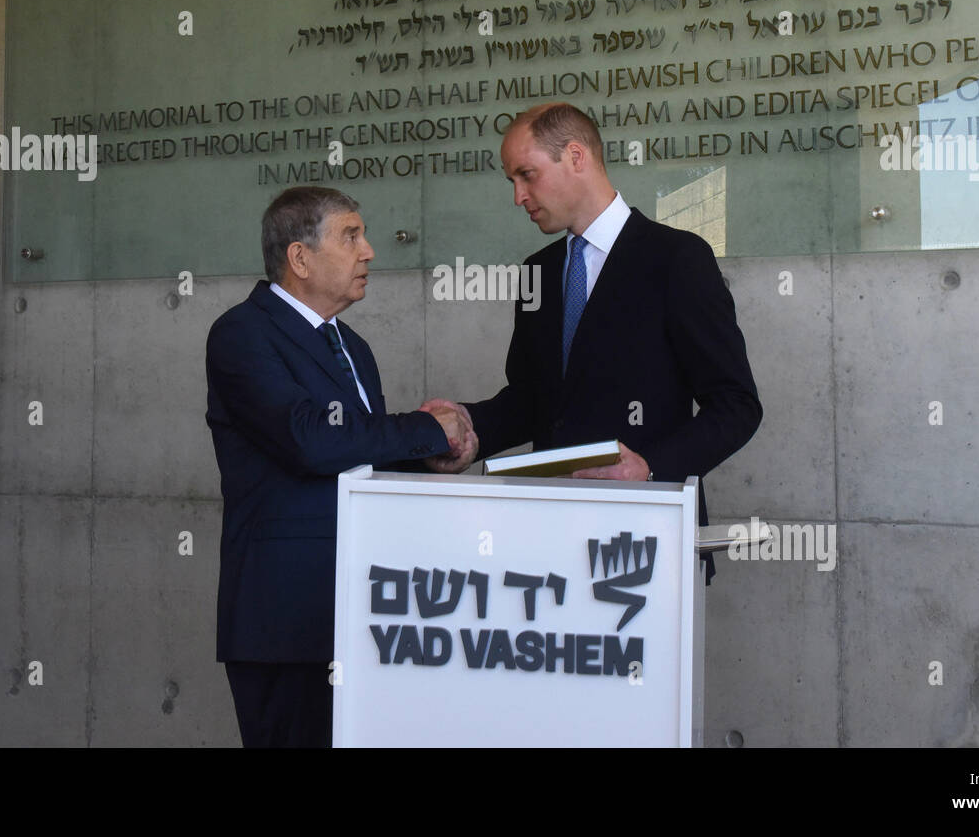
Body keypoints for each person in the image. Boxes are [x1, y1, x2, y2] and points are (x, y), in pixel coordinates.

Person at [423, 103, 762, 582]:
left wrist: (649, 469)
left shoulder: (677, 259)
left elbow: (736, 405)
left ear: (576, 157)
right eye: (512, 181)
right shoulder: (537, 271)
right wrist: (469, 430)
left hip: (648, 542)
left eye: (527, 175)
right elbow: (532, 400)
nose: (519, 196)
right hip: (550, 546)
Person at [206, 186, 473, 747]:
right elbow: (309, 440)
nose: (369, 250)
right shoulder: (241, 334)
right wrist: (425, 429)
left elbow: (358, 456)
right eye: (350, 236)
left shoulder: (352, 345)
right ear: (299, 258)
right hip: (284, 623)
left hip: (363, 616)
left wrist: (429, 458)